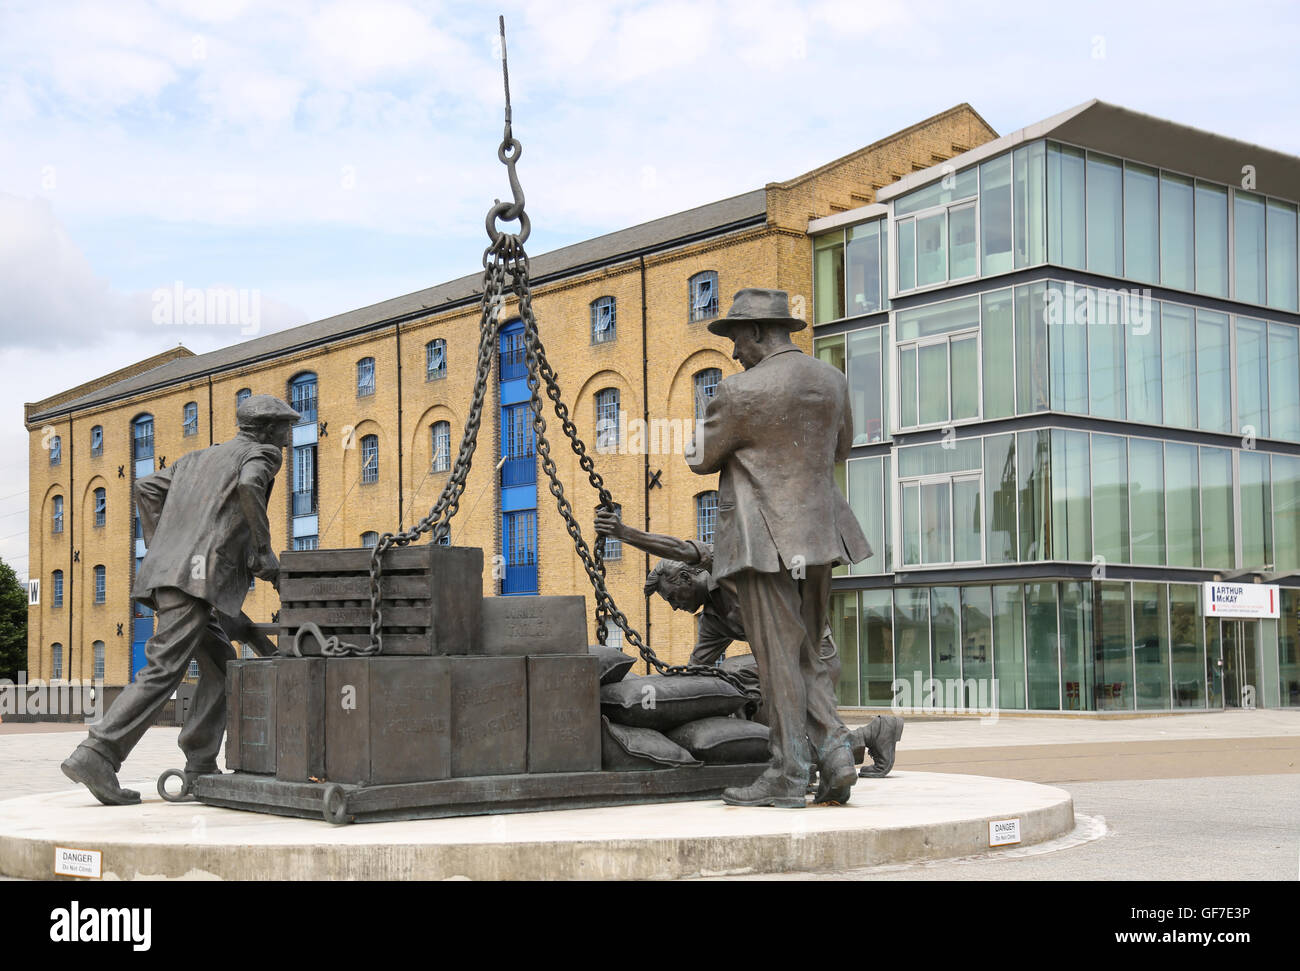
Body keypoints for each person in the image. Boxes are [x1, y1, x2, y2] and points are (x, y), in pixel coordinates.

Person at [61, 395, 298, 805]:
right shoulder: (263, 454)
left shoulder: (195, 459)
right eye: (285, 427)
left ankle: (201, 764)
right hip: (195, 579)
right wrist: (263, 553)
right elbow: (248, 485)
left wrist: (165, 548)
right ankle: (98, 752)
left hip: (182, 577)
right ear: (267, 431)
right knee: (164, 668)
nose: (289, 435)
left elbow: (146, 487)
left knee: (224, 667)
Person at [686, 288, 871, 808]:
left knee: (776, 658)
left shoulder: (738, 391)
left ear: (762, 331)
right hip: (821, 535)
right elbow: (841, 449)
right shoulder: (831, 381)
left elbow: (700, 459)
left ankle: (788, 774)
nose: (734, 349)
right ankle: (835, 754)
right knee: (808, 649)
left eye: (738, 337)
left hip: (763, 538)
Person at [594, 508, 902, 786]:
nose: (675, 607)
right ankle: (871, 736)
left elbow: (680, 548)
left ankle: (806, 765)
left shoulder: (722, 562)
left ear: (686, 576)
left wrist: (624, 534)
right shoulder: (712, 622)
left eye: (672, 597)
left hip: (815, 656)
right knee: (747, 707)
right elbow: (695, 672)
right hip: (781, 668)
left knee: (735, 677)